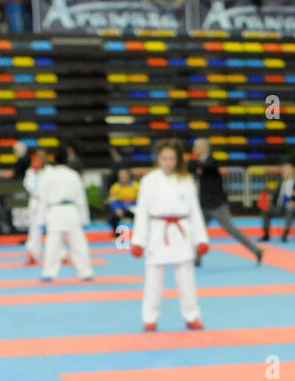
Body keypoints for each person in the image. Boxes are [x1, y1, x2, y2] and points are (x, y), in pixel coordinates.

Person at [130, 138, 208, 330]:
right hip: (158, 230)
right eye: (164, 158)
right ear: (158, 159)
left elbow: (195, 211)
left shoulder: (186, 180)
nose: (168, 162)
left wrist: (201, 238)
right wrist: (138, 241)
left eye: (172, 158)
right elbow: (142, 213)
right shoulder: (149, 181)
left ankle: (192, 315)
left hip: (181, 230)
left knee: (186, 279)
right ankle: (150, 317)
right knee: (153, 280)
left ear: (178, 160)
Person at [187, 137, 262, 263]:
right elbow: (191, 169)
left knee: (231, 229)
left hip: (217, 205)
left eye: (196, 146)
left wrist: (192, 163)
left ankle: (256, 250)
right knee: (197, 231)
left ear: (204, 148)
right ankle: (196, 258)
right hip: (204, 204)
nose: (194, 149)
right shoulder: (198, 162)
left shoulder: (212, 161)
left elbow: (203, 166)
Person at [35, 144, 92, 283]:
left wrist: (41, 221)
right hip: (72, 211)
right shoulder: (74, 175)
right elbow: (81, 199)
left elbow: (42, 199)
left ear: (54, 159)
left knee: (52, 244)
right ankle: (85, 272)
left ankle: (49, 272)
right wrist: (85, 219)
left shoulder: (47, 176)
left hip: (55, 211)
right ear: (67, 159)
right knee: (78, 243)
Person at [260, 158, 295, 243]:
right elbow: (275, 198)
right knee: (265, 209)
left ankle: (285, 234)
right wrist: (270, 204)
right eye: (283, 171)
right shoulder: (281, 184)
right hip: (279, 207)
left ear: (291, 172)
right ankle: (266, 234)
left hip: (291, 208)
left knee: (290, 208)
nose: (284, 173)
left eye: (286, 171)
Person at [22, 147, 45, 266]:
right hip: (36, 201)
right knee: (34, 229)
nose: (40, 159)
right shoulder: (30, 171)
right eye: (39, 156)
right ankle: (32, 254)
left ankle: (62, 255)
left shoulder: (50, 171)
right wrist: (35, 173)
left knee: (55, 229)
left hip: (49, 203)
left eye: (43, 156)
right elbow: (28, 186)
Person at [106, 166, 138, 236]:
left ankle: (139, 234)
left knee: (141, 215)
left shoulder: (136, 186)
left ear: (128, 176)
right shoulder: (115, 187)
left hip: (133, 208)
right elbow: (112, 200)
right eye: (120, 176)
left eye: (124, 175)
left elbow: (141, 199)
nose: (122, 177)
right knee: (113, 215)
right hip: (120, 208)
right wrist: (117, 208)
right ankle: (116, 234)